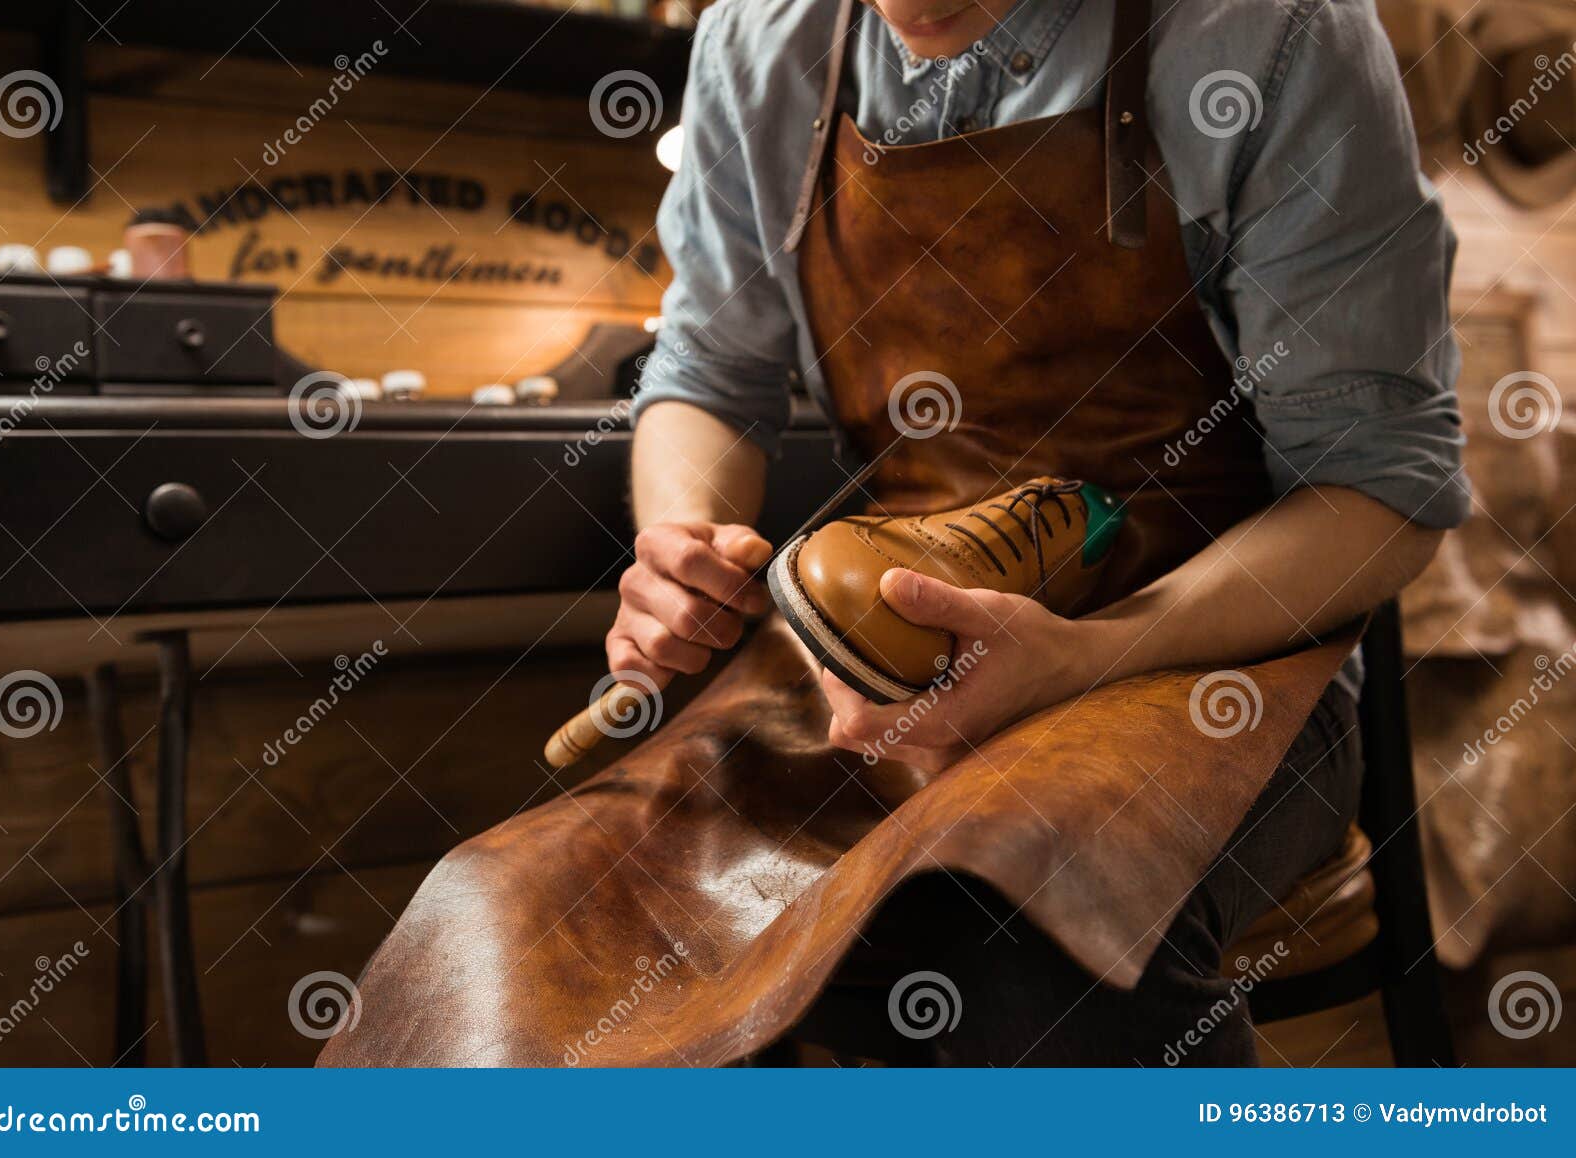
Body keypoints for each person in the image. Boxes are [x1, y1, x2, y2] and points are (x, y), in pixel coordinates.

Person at [612, 0, 1467, 1063]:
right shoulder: (759, 37)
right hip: (891, 651)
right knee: (601, 908)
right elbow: (705, 370)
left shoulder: (1271, 32)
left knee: (1024, 929)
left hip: (1218, 663)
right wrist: (683, 541)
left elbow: (1376, 491)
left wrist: (1089, 657)